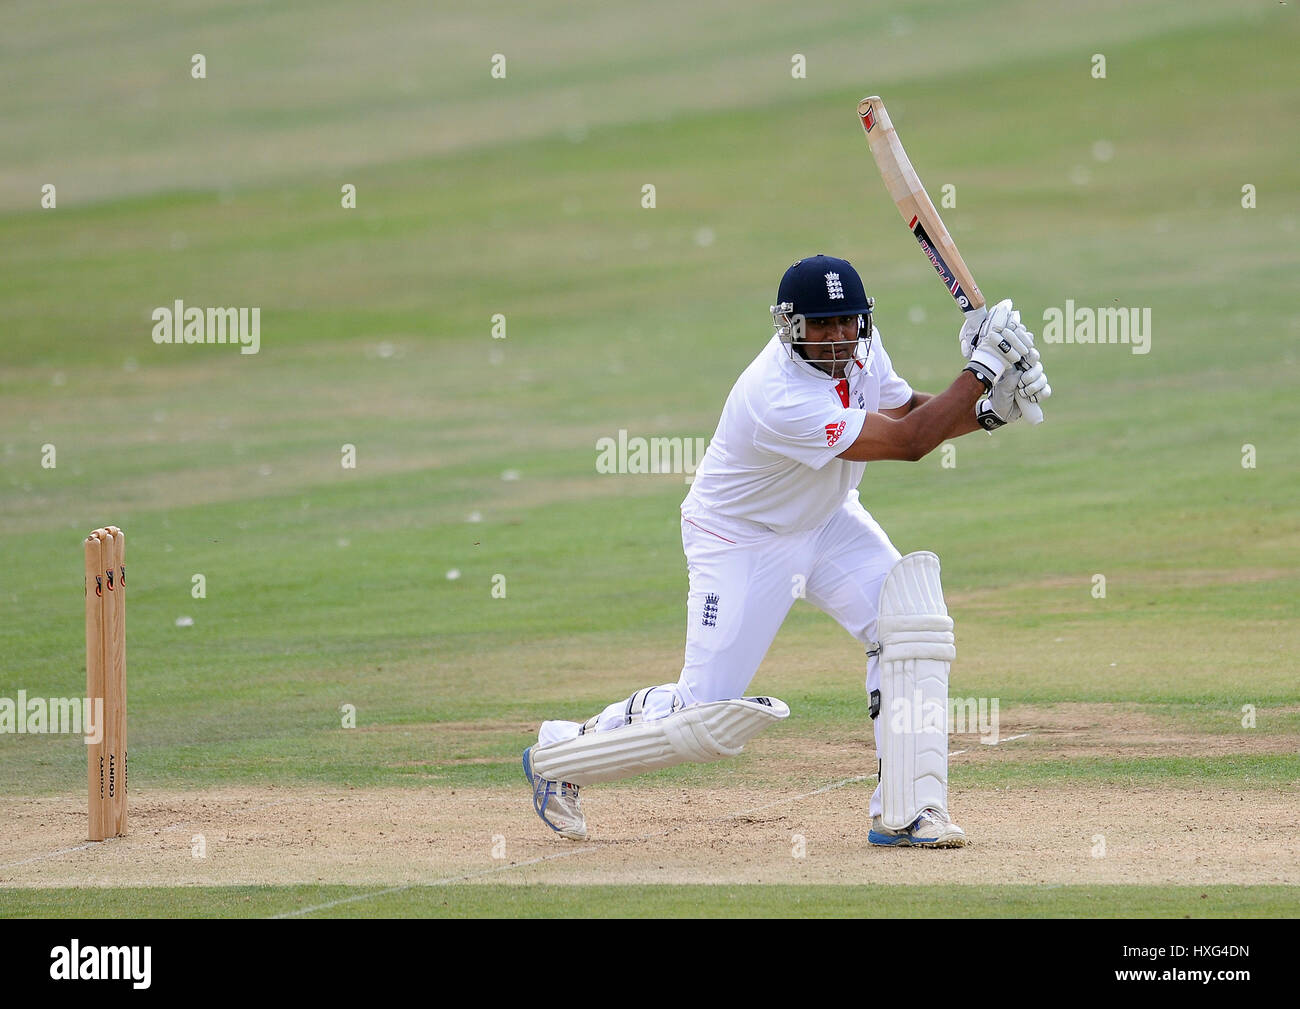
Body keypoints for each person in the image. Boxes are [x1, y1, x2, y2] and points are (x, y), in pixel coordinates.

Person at [522, 254, 1050, 846]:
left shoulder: (863, 348)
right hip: (741, 538)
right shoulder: (777, 397)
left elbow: (905, 411)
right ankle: (560, 753)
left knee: (910, 625)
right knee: (705, 713)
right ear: (790, 327)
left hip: (826, 521)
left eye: (848, 321)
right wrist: (981, 369)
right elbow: (909, 442)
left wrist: (988, 409)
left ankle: (908, 810)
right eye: (821, 325)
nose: (838, 337)